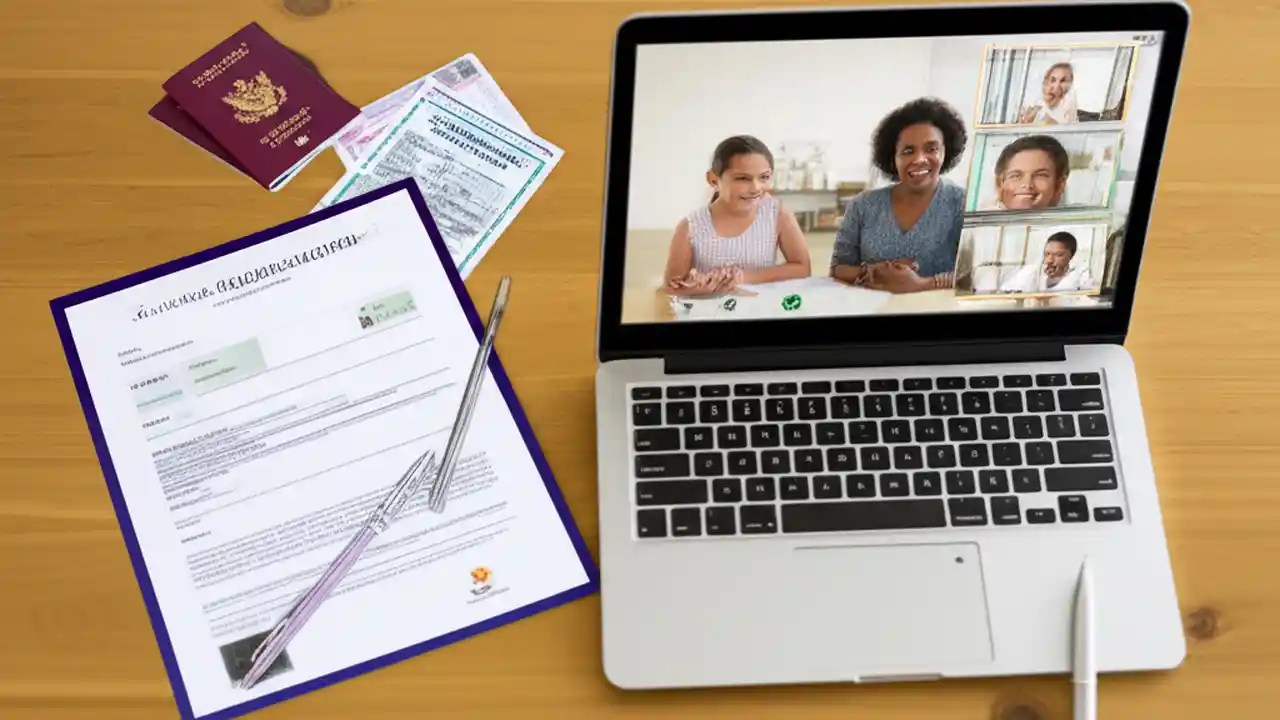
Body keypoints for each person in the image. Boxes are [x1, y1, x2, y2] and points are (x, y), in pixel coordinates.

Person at [829, 97, 968, 293]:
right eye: (908, 151)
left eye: (932, 149)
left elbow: (977, 274)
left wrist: (923, 284)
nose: (919, 159)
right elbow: (838, 269)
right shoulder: (862, 205)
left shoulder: (963, 203)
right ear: (893, 158)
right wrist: (870, 270)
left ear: (946, 152)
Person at [662, 135, 811, 296]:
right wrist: (699, 287)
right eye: (742, 178)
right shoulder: (691, 226)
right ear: (713, 180)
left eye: (764, 177)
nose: (756, 187)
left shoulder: (777, 214)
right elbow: (671, 287)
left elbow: (802, 267)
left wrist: (742, 277)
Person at [982, 134, 1071, 210]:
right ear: (999, 184)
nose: (1027, 184)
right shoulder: (979, 228)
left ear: (1059, 185)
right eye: (1016, 176)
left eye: (1040, 175)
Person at [1000, 231, 1095, 292]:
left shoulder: (1081, 274)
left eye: (1058, 255)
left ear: (1071, 256)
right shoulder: (1032, 271)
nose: (1049, 260)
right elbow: (1007, 292)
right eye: (1047, 254)